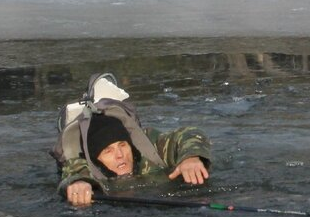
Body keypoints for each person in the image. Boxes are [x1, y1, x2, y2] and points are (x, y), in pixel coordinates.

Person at [53, 73, 212, 207]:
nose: (120, 155)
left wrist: (191, 157)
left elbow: (189, 133)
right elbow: (73, 173)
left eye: (122, 145)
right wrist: (79, 184)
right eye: (108, 151)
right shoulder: (85, 166)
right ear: (96, 159)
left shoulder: (151, 149)